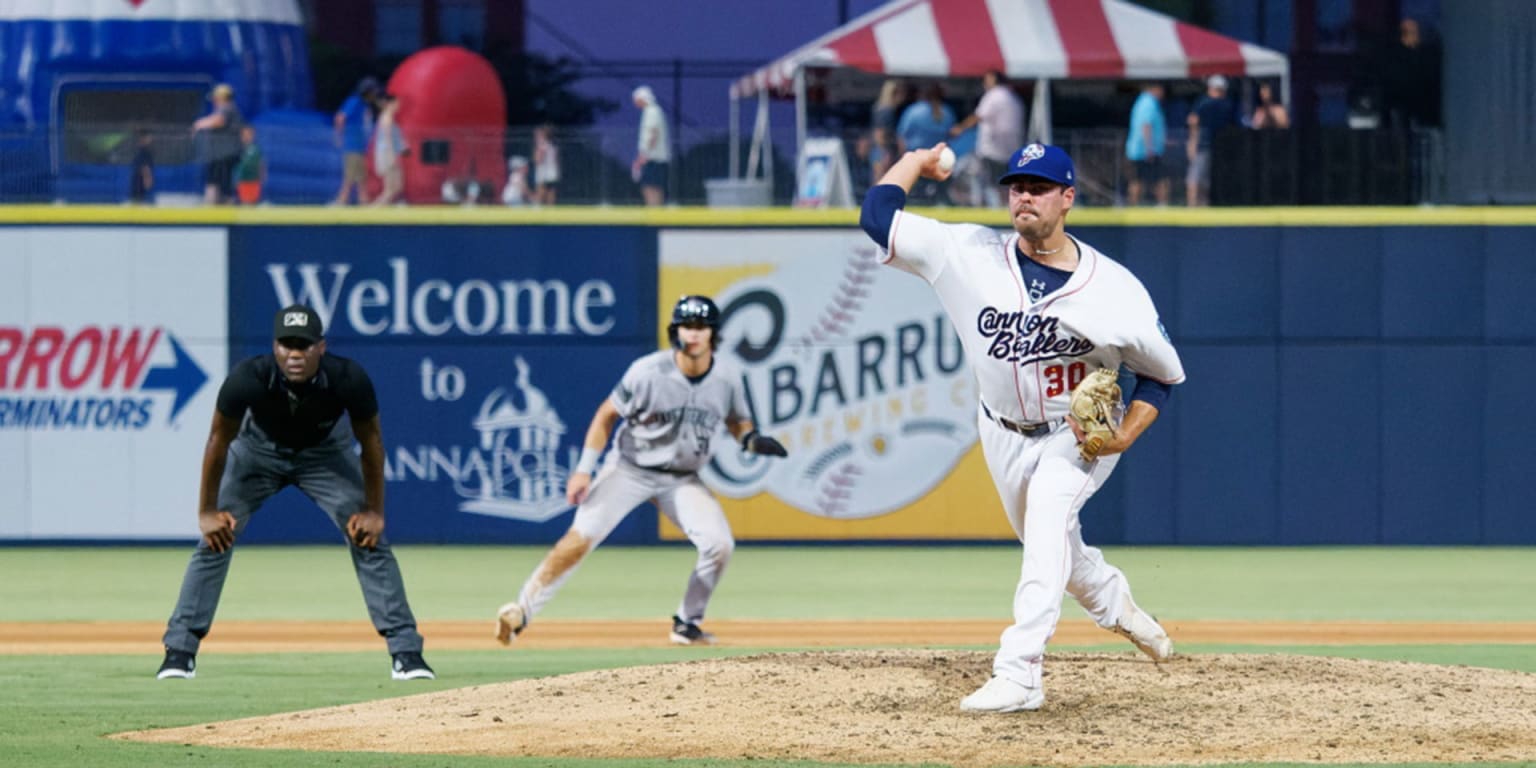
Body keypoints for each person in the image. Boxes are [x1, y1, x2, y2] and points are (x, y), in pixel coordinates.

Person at [858, 141, 1182, 712]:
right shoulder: (967, 251)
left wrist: (1125, 435)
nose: (1024, 196)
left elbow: (1160, 378)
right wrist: (918, 161)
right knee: (1052, 544)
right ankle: (1116, 604)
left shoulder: (1117, 290)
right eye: (1016, 187)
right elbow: (876, 216)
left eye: (1037, 187)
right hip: (1000, 429)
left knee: (1051, 514)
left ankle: (1021, 672)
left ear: (1068, 198)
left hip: (1075, 433)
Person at [156, 305, 434, 682]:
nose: (294, 354)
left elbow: (372, 444)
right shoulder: (249, 378)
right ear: (274, 347)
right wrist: (206, 511)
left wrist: (374, 511)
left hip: (326, 455)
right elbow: (218, 442)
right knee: (216, 537)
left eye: (303, 345)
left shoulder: (347, 378)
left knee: (368, 537)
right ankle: (179, 651)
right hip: (257, 453)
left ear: (321, 347)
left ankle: (406, 653)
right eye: (286, 345)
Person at [495, 295, 788, 647]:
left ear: (713, 334)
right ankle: (521, 613)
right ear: (675, 331)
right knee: (579, 538)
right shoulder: (648, 371)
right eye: (685, 326)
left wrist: (751, 440)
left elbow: (737, 420)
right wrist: (584, 470)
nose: (692, 334)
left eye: (700, 327)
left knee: (718, 544)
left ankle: (687, 623)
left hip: (682, 478)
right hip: (629, 469)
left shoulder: (726, 377)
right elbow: (606, 415)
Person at [950, 71, 1024, 207]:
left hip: (992, 149)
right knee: (1004, 182)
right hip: (1011, 149)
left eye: (987, 80)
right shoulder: (1013, 98)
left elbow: (979, 116)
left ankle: (989, 206)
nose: (984, 83)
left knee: (987, 182)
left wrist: (959, 128)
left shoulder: (993, 96)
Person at [896, 83, 957, 204]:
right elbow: (951, 136)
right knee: (939, 195)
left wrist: (903, 159)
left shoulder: (913, 111)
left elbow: (901, 137)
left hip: (918, 162)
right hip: (939, 161)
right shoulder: (947, 112)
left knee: (916, 197)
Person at [1185, 74, 1237, 207]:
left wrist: (1192, 143)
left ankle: (1194, 205)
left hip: (1204, 145)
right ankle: (1203, 205)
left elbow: (1193, 121)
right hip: (1218, 146)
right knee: (1205, 178)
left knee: (1196, 177)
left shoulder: (1203, 103)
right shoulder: (1227, 104)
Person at [191, 83, 242, 205]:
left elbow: (219, 121)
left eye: (216, 98)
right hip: (221, 153)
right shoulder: (225, 109)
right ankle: (216, 202)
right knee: (216, 178)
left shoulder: (228, 107)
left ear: (222, 97)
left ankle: (222, 204)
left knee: (222, 180)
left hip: (226, 153)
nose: (214, 101)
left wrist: (199, 124)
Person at [333, 77, 380, 205]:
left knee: (360, 176)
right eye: (373, 92)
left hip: (359, 145)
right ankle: (341, 200)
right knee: (351, 175)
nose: (375, 95)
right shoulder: (354, 101)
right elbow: (340, 117)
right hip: (352, 144)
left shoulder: (364, 105)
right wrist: (339, 136)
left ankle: (363, 200)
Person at [1125, 83, 1169, 206]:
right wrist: (1149, 147)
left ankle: (1134, 204)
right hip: (1146, 150)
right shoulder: (1149, 103)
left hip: (1139, 149)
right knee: (1156, 178)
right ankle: (1161, 204)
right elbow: (1146, 125)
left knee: (1138, 178)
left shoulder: (1141, 102)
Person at [631, 85, 670, 206]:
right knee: (654, 187)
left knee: (650, 188)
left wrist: (643, 156)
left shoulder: (651, 111)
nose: (635, 103)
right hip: (654, 157)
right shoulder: (654, 111)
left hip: (653, 158)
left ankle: (654, 214)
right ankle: (656, 215)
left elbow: (653, 134)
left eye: (636, 100)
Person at [371, 94, 408, 207]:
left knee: (397, 186)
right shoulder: (386, 118)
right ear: (390, 104)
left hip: (389, 153)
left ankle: (382, 206)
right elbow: (388, 139)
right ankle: (374, 208)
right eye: (396, 103)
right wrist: (393, 155)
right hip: (387, 154)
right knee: (390, 188)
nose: (398, 106)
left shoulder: (389, 118)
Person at [869, 79, 910, 180]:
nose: (903, 97)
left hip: (881, 151)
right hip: (882, 151)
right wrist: (884, 153)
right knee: (881, 181)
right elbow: (879, 134)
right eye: (901, 94)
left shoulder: (882, 109)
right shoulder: (885, 111)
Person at [233, 125, 265, 205]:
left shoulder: (256, 149)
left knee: (253, 202)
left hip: (254, 180)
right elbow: (235, 166)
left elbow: (261, 164)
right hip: (243, 180)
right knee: (244, 201)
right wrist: (236, 179)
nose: (246, 137)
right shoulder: (239, 149)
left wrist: (262, 177)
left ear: (253, 136)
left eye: (249, 135)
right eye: (244, 135)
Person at [532, 123, 560, 205]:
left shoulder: (541, 145)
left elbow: (538, 160)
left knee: (541, 192)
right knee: (551, 191)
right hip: (552, 171)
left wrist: (537, 154)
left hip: (543, 172)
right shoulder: (552, 146)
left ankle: (538, 210)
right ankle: (550, 212)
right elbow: (556, 160)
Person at [129, 129, 154, 204]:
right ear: (143, 138)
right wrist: (147, 179)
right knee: (138, 201)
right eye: (148, 137)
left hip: (137, 183)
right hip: (139, 183)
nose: (150, 139)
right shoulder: (144, 151)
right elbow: (145, 168)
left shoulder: (140, 150)